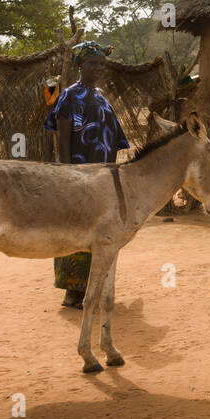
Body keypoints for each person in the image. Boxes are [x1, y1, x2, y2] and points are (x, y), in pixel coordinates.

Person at [43, 41, 130, 308]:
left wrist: (113, 176)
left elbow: (114, 138)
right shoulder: (69, 96)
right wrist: (69, 175)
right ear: (81, 65)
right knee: (74, 231)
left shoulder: (102, 97)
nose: (99, 68)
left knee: (100, 233)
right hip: (78, 178)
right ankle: (72, 291)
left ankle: (94, 289)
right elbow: (63, 139)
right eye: (93, 63)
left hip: (101, 179)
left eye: (102, 64)